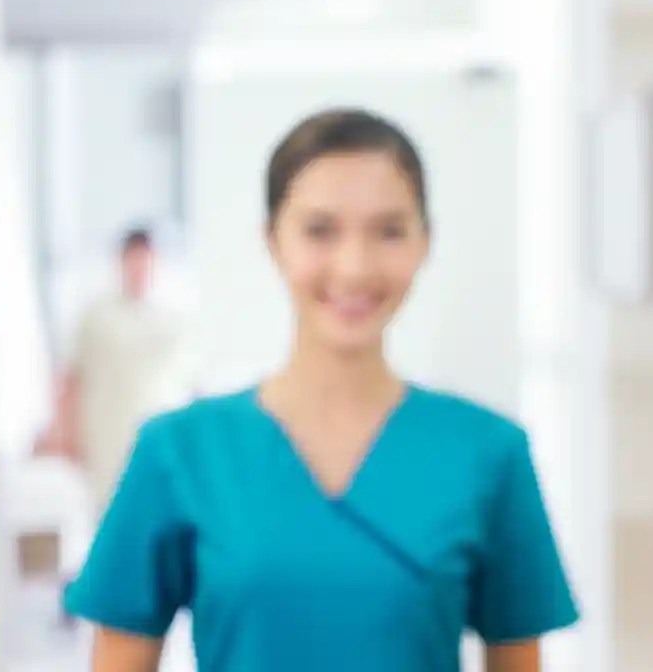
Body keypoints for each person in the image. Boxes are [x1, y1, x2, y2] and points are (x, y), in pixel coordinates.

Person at [64, 109, 579, 671]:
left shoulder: (488, 455)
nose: (354, 267)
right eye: (320, 230)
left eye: (388, 231)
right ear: (272, 241)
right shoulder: (178, 453)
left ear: (424, 243)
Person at [43, 228, 201, 506]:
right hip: (107, 438)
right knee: (111, 511)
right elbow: (70, 379)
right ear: (122, 262)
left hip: (162, 437)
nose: (140, 268)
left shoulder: (177, 320)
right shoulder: (96, 317)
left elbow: (193, 387)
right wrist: (64, 431)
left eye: (147, 261)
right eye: (134, 260)